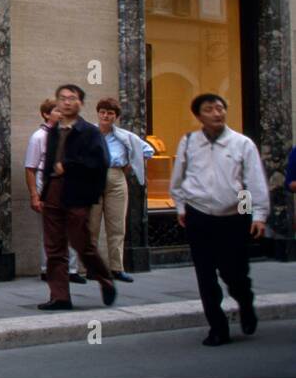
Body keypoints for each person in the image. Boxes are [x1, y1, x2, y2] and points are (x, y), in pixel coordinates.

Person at [169, 93, 268, 346]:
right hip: (198, 214)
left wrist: (255, 214)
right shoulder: (189, 142)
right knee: (205, 275)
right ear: (199, 115)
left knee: (234, 273)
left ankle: (245, 303)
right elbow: (178, 179)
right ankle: (217, 327)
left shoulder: (242, 143)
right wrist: (182, 206)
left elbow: (252, 181)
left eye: (220, 108)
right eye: (210, 109)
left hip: (234, 216)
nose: (217, 113)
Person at [37, 84, 116, 310]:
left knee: (82, 244)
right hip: (53, 191)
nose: (66, 102)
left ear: (80, 103)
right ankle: (59, 296)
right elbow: (48, 164)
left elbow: (100, 163)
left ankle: (104, 278)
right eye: (62, 98)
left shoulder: (90, 132)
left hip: (77, 192)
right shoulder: (53, 130)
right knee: (53, 247)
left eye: (72, 98)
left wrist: (69, 167)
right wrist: (43, 193)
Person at [92, 97, 155, 283]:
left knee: (117, 226)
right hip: (93, 178)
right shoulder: (90, 133)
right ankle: (91, 268)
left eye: (110, 113)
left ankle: (117, 268)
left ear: (116, 117)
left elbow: (147, 151)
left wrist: (130, 165)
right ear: (98, 113)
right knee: (91, 226)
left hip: (116, 177)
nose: (105, 116)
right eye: (102, 112)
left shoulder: (125, 136)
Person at [24, 98, 84, 283]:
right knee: (51, 230)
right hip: (47, 183)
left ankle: (72, 270)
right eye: (57, 111)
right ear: (46, 114)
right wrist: (35, 195)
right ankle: (48, 269)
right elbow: (30, 168)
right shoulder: (39, 137)